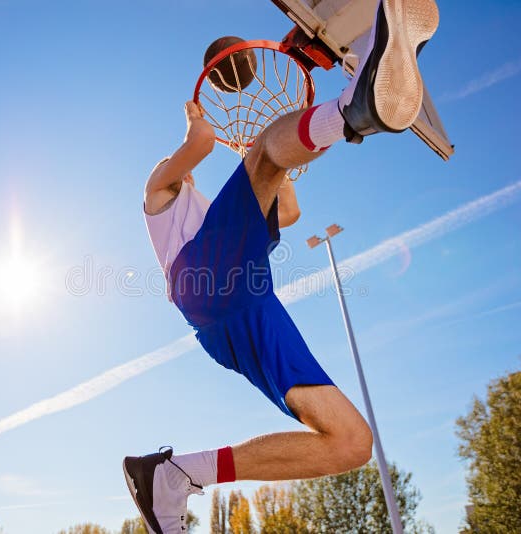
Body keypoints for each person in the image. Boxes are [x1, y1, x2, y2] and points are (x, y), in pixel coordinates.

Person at [124, 0, 439, 531]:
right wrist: (196, 121)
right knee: (267, 153)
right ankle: (354, 108)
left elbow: (289, 212)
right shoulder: (159, 192)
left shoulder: (220, 219)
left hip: (240, 308)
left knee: (351, 443)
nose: (180, 169)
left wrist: (266, 157)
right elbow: (201, 143)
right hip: (207, 283)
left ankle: (174, 475)